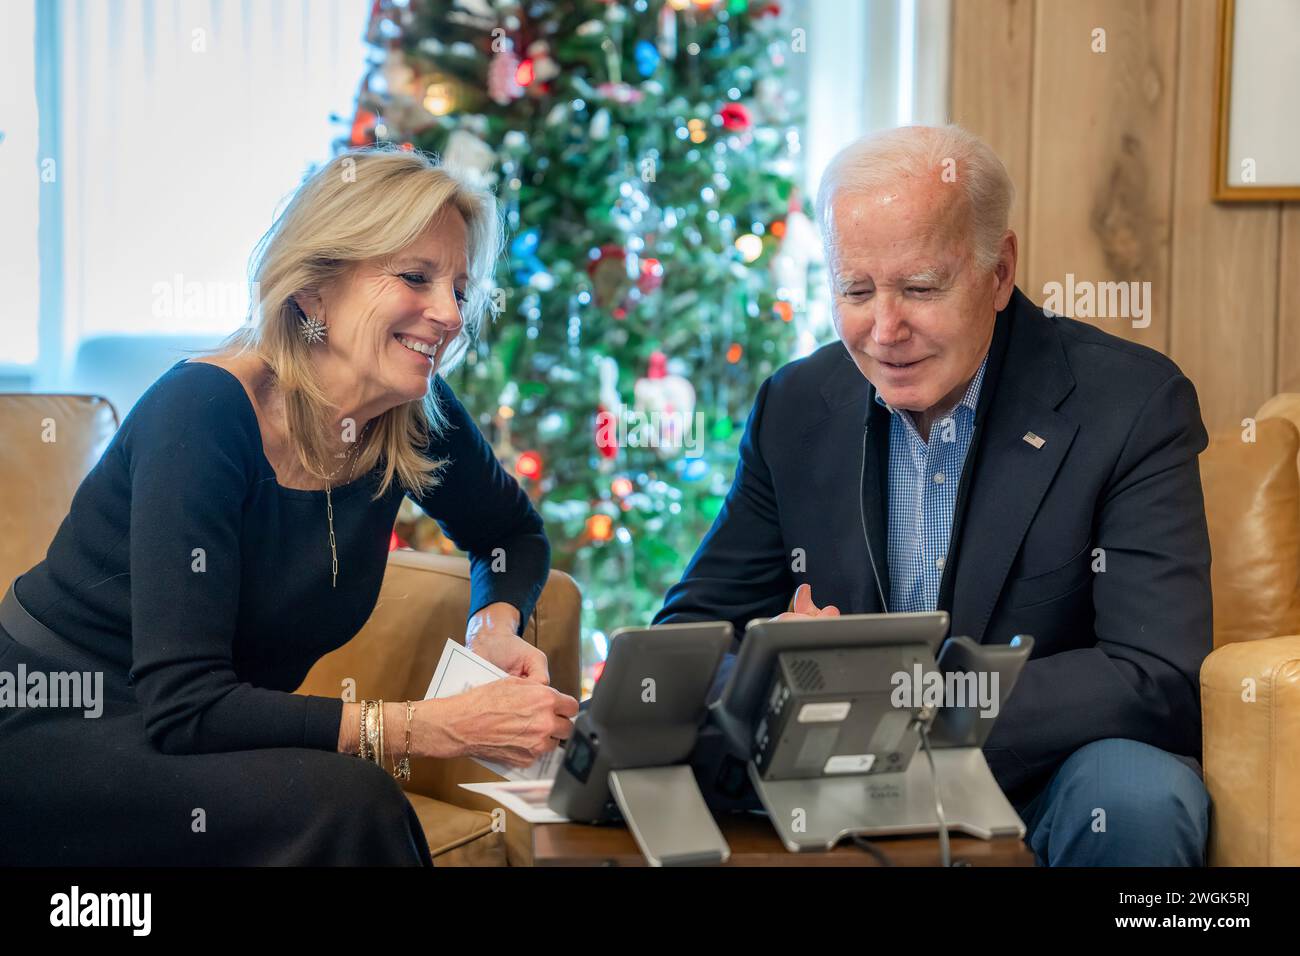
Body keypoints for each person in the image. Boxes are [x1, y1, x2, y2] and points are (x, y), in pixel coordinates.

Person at [0, 145, 578, 865]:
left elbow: (510, 535)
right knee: (349, 804)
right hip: (58, 717)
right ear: (313, 292)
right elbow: (187, 703)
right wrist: (431, 727)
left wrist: (495, 627)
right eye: (416, 277)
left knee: (344, 800)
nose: (449, 314)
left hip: (199, 725)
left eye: (460, 288)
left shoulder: (413, 409)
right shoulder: (204, 412)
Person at [654, 125, 1212, 867]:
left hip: (1038, 773)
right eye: (855, 290)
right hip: (832, 776)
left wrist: (902, 696)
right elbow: (688, 637)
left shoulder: (1130, 403)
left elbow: (1156, 674)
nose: (885, 330)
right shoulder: (796, 403)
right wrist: (779, 664)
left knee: (1141, 797)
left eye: (920, 288)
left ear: (999, 269)